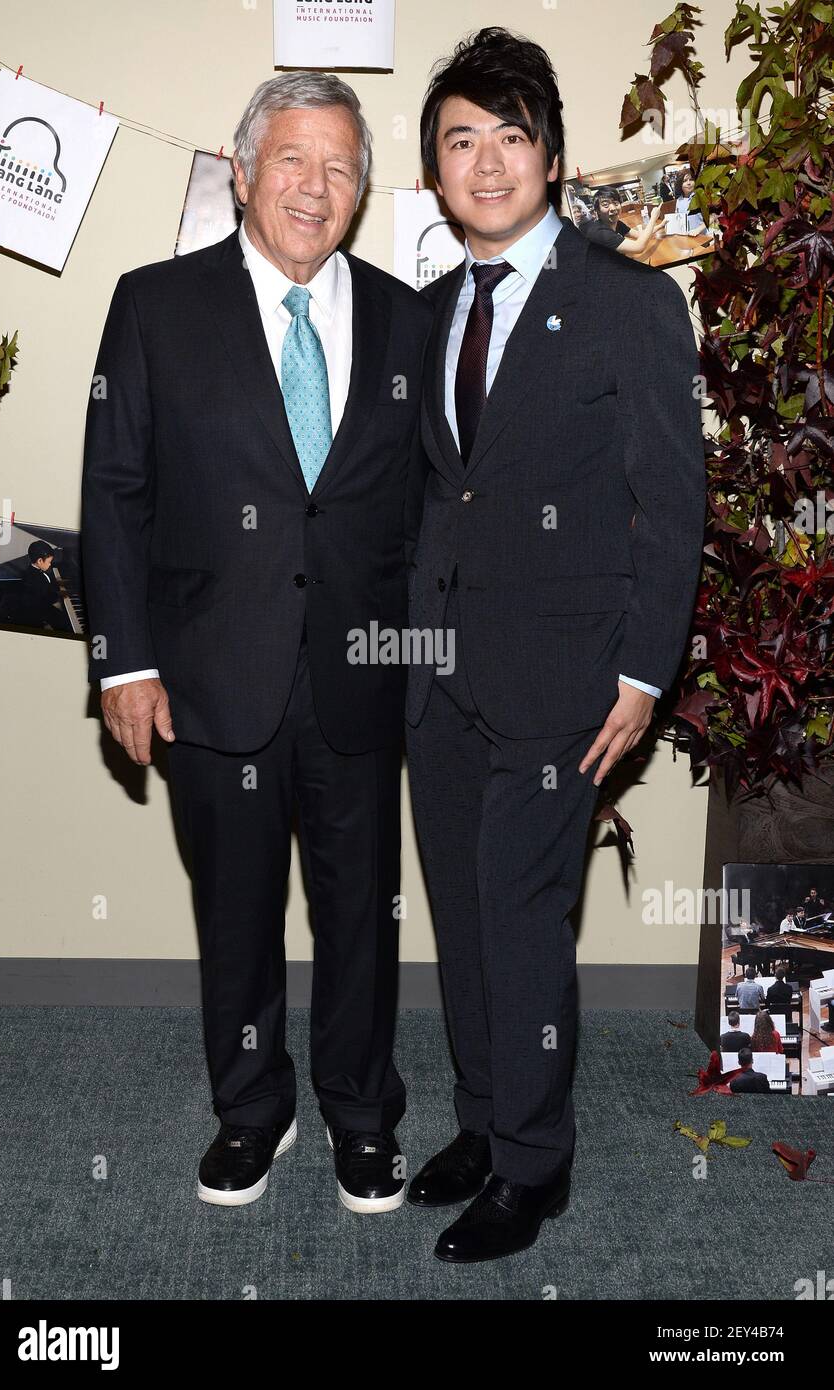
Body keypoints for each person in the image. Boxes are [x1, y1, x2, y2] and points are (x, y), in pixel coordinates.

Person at [82, 71, 433, 1214]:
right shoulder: (153, 305)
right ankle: (251, 1108)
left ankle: (361, 1114)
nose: (313, 185)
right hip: (207, 679)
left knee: (360, 916)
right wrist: (121, 664)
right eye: (291, 158)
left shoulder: (406, 319)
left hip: (360, 680)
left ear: (361, 189)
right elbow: (117, 490)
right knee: (232, 910)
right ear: (240, 171)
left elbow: (433, 511)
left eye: (339, 166)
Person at [404, 27, 705, 1263]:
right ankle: (480, 1122)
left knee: (523, 920)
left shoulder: (629, 303)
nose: (483, 163)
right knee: (464, 921)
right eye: (458, 141)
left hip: (567, 681)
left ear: (551, 154)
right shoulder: (421, 313)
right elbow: (429, 494)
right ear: (432, 171)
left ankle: (534, 1164)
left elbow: (672, 501)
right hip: (434, 678)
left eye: (507, 137)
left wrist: (641, 673)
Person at [20, 541, 71, 632]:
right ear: (39, 561)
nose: (50, 564)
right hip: (39, 609)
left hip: (42, 600)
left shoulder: (34, 570)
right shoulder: (35, 579)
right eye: (49, 562)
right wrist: (63, 593)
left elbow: (48, 584)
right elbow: (49, 597)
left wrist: (60, 583)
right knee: (65, 623)